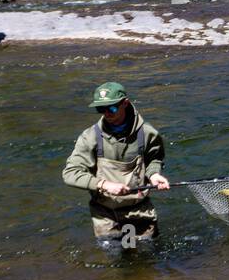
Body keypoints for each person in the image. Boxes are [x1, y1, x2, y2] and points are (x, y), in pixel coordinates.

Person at [62, 82, 169, 247]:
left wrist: (154, 174)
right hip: (105, 214)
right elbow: (70, 173)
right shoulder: (90, 137)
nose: (106, 113)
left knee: (145, 259)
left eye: (111, 108)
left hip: (139, 210)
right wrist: (103, 184)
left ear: (125, 103)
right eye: (100, 109)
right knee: (116, 263)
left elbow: (155, 159)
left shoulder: (147, 134)